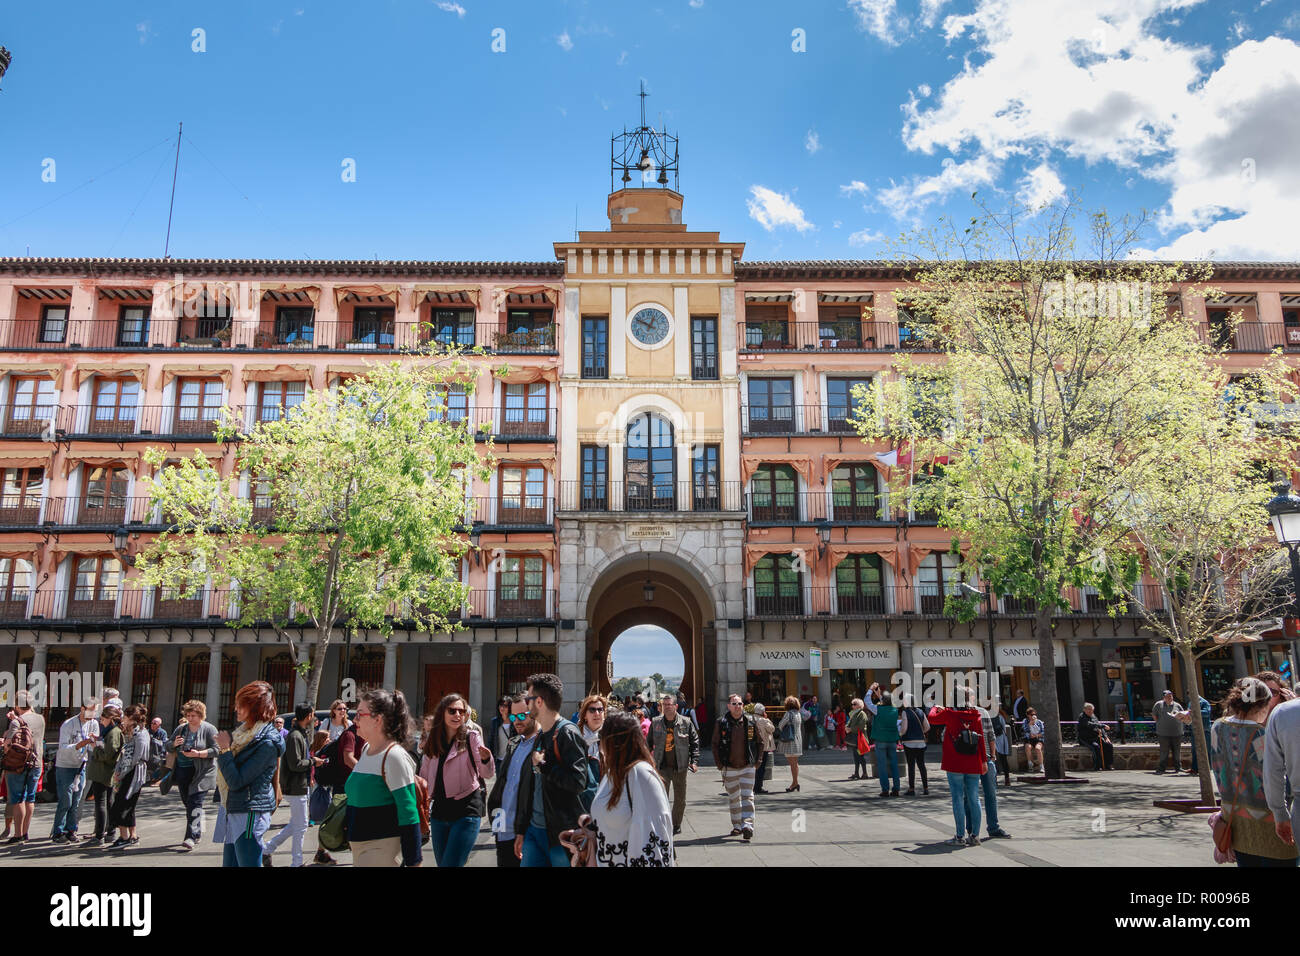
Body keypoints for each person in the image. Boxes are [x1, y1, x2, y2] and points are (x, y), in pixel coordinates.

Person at [1210, 677, 1295, 867]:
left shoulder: (1217, 727)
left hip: (1236, 822)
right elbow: (1282, 777)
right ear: (1263, 706)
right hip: (1272, 824)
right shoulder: (1261, 735)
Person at [516, 673, 591, 867]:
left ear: (539, 701)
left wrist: (545, 766)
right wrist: (522, 829)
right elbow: (531, 786)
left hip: (561, 832)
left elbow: (578, 782)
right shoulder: (542, 734)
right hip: (535, 829)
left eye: (528, 699)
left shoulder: (567, 733)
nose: (525, 704)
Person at [583, 710, 674, 866]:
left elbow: (657, 838)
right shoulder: (611, 774)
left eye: (602, 738)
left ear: (614, 742)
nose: (600, 745)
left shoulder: (642, 774)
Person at [346, 688, 422, 867]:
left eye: (359, 714)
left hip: (380, 849)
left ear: (377, 720)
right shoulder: (366, 750)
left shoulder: (394, 756)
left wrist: (414, 861)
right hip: (360, 848)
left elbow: (408, 811)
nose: (354, 720)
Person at [213, 682, 285, 867]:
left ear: (254, 707)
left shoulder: (266, 742)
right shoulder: (245, 735)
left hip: (250, 811)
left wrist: (225, 751)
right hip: (236, 809)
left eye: (241, 704)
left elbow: (237, 780)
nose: (235, 708)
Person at [419, 692, 495, 867]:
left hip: (466, 811)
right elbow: (424, 774)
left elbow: (487, 774)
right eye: (452, 711)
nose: (457, 715)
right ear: (442, 713)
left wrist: (485, 759)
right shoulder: (433, 740)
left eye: (461, 711)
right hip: (439, 812)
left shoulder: (471, 737)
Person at [929, 687, 988, 847]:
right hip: (973, 762)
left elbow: (932, 718)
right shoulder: (976, 716)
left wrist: (937, 706)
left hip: (955, 762)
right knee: (974, 798)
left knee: (957, 798)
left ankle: (960, 836)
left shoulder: (950, 714)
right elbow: (981, 740)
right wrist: (983, 760)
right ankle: (975, 835)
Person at [263, 704, 319, 867]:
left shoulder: (298, 734)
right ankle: (296, 862)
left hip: (298, 785)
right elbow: (295, 764)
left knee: (297, 823)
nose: (314, 718)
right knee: (301, 825)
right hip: (295, 786)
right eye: (313, 715)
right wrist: (313, 762)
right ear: (308, 716)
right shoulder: (295, 736)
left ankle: (267, 849)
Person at [487, 693, 536, 867]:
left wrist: (524, 831)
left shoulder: (543, 745)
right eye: (514, 716)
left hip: (526, 831)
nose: (517, 721)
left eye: (522, 715)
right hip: (503, 828)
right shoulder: (514, 743)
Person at [311, 700, 359, 864]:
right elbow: (347, 758)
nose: (343, 711)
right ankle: (321, 851)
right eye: (340, 708)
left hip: (347, 780)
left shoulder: (350, 725)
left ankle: (355, 853)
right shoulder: (348, 733)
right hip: (340, 778)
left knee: (349, 816)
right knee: (335, 817)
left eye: (345, 708)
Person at [169, 699, 219, 851]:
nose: (190, 718)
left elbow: (217, 749)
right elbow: (168, 744)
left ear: (201, 715)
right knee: (188, 802)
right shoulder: (181, 729)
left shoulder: (209, 729)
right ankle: (197, 828)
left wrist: (199, 753)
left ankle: (191, 836)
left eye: (194, 716)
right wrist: (174, 744)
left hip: (202, 771)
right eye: (188, 715)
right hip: (183, 769)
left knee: (194, 801)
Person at [711, 694, 762, 840]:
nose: (737, 706)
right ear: (728, 706)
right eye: (734, 703)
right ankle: (737, 826)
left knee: (748, 796)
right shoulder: (721, 722)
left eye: (739, 703)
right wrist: (719, 764)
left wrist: (758, 760)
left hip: (747, 766)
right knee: (734, 798)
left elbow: (760, 742)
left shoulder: (750, 721)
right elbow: (714, 743)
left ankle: (748, 825)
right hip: (729, 767)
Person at [50, 696, 99, 844]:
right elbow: (63, 747)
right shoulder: (68, 724)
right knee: (66, 799)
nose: (93, 715)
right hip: (65, 765)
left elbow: (96, 745)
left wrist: (96, 743)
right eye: (91, 711)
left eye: (95, 712)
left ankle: (71, 829)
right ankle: (58, 831)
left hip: (81, 765)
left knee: (77, 799)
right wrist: (79, 744)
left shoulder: (94, 724)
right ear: (83, 709)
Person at [650, 693, 699, 835]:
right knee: (660, 798)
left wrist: (694, 762)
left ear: (676, 706)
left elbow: (695, 743)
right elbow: (647, 744)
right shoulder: (656, 722)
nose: (666, 707)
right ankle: (663, 824)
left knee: (680, 800)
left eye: (669, 705)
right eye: (664, 705)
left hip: (680, 767)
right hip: (661, 767)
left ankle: (676, 824)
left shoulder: (686, 722)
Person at [1, 689, 46, 844]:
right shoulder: (40, 719)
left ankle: (18, 834)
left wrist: (4, 741)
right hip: (36, 762)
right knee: (30, 798)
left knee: (18, 798)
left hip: (17, 764)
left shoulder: (16, 721)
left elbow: (8, 744)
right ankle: (26, 832)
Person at [106, 703, 151, 850]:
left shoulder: (141, 734)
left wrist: (122, 773)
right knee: (127, 804)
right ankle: (132, 836)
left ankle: (124, 837)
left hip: (134, 773)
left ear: (133, 718)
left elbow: (137, 758)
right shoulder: (131, 732)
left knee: (123, 804)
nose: (123, 718)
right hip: (127, 770)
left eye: (126, 716)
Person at [84, 700, 123, 846]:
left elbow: (108, 754)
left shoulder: (114, 732)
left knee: (101, 803)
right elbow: (108, 748)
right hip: (105, 772)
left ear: (110, 719)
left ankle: (100, 835)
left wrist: (95, 747)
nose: (101, 721)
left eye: (103, 718)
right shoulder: (112, 731)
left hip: (104, 772)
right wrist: (98, 742)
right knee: (107, 802)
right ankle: (109, 832)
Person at [973, 693, 1012, 840]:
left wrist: (993, 757)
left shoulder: (982, 713)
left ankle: (982, 828)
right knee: (982, 795)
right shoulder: (982, 712)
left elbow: (991, 736)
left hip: (982, 759)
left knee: (980, 795)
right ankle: (982, 828)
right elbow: (991, 736)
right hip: (981, 759)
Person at [865, 684, 901, 797]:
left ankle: (885, 789)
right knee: (894, 765)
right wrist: (880, 695)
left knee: (882, 765)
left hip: (880, 740)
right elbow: (887, 702)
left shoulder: (877, 709)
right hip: (892, 740)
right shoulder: (895, 710)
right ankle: (896, 789)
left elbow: (867, 701)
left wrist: (871, 690)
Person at [898, 693, 930, 796]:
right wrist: (920, 734)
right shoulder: (921, 712)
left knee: (911, 765)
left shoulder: (905, 712)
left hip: (909, 742)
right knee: (921, 765)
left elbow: (904, 728)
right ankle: (926, 788)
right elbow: (927, 727)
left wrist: (900, 734)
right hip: (921, 743)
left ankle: (911, 789)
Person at [1153, 689, 1189, 774]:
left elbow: (1183, 715)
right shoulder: (1158, 705)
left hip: (1177, 732)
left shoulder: (1177, 705)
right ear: (1164, 697)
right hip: (1163, 733)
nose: (1169, 697)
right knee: (1164, 751)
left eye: (1171, 696)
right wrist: (1161, 723)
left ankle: (1178, 768)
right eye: (1167, 696)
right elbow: (1154, 716)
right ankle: (1161, 769)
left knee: (1177, 751)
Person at [776, 695, 803, 792]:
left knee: (792, 763)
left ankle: (794, 783)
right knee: (795, 763)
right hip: (797, 740)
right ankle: (795, 783)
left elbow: (780, 725)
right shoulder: (798, 714)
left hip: (789, 740)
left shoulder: (788, 714)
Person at [578, 694, 606, 782]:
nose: (597, 713)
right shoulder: (575, 736)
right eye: (592, 710)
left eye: (600, 709)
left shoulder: (611, 736)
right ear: (585, 715)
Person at [1078, 703, 1114, 771]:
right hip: (1085, 739)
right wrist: (1102, 725)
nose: (1090, 711)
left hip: (1095, 737)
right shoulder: (1082, 717)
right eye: (1088, 709)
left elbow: (1099, 726)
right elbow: (1089, 724)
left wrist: (1106, 737)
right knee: (1096, 747)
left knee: (1108, 745)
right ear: (1084, 710)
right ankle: (1098, 766)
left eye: (1091, 710)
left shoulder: (1094, 716)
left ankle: (1108, 765)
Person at [752, 702, 775, 794]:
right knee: (761, 767)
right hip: (763, 746)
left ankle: (752, 786)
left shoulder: (751, 718)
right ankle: (758, 787)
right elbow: (772, 729)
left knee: (753, 766)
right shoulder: (764, 720)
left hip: (753, 746)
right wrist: (767, 718)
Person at [846, 698, 870, 781]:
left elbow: (861, 726)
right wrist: (847, 727)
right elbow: (849, 722)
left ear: (859, 705)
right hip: (854, 738)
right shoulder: (854, 714)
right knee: (855, 756)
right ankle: (856, 773)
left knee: (861, 756)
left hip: (860, 738)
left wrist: (850, 729)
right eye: (852, 704)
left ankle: (865, 773)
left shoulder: (862, 714)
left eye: (854, 704)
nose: (853, 706)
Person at [489, 695, 513, 762]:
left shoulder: (514, 721)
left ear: (510, 707)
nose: (502, 708)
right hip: (498, 759)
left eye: (505, 706)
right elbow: (491, 741)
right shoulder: (495, 722)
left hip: (511, 759)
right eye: (500, 705)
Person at [1022, 707, 1045, 773]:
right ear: (1028, 715)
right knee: (1028, 747)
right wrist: (1029, 724)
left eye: (1034, 714)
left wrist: (1036, 735)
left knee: (1038, 748)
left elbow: (1043, 732)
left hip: (1038, 739)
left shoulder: (1039, 722)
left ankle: (1041, 766)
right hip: (1029, 739)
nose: (1033, 716)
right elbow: (1024, 731)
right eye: (1031, 715)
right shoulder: (1025, 721)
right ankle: (1030, 765)